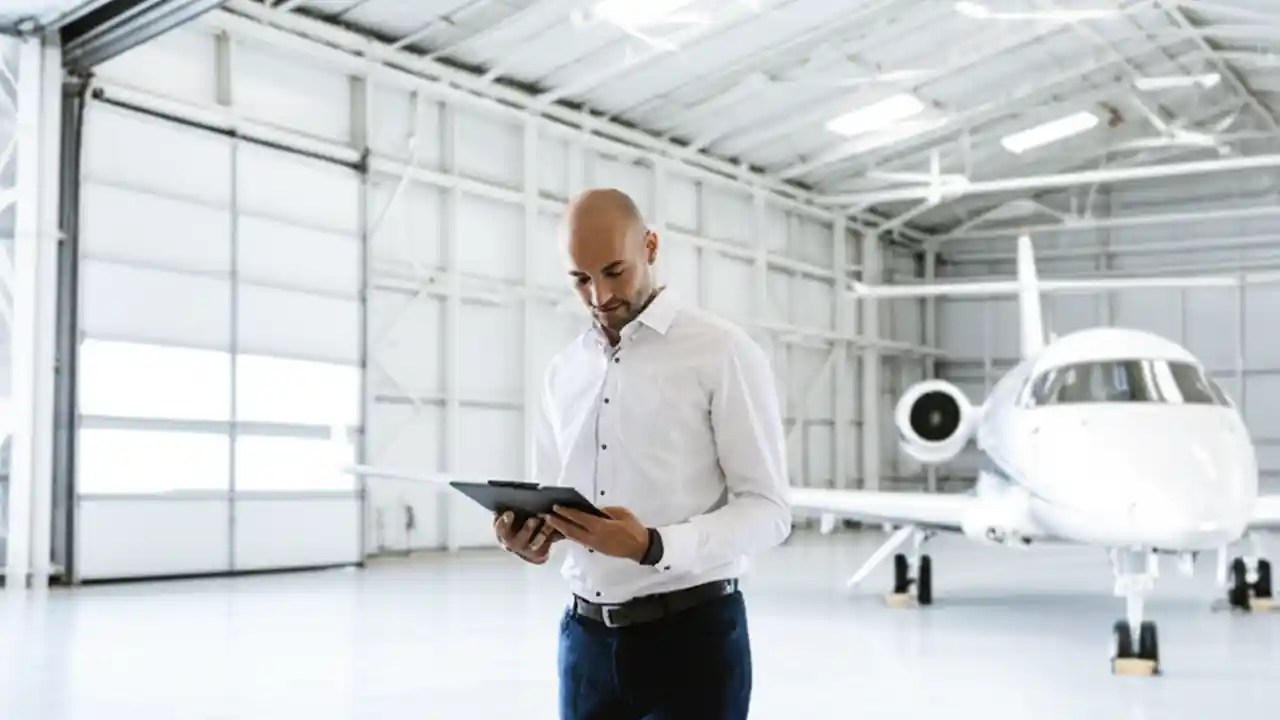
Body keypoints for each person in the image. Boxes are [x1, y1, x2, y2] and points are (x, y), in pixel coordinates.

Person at [493, 188, 792, 719]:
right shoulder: (563, 372)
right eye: (580, 279)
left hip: (692, 644)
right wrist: (532, 537)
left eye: (614, 271)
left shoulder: (722, 351)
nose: (599, 295)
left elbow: (770, 511)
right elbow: (553, 498)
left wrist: (654, 545)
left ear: (650, 246)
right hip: (584, 645)